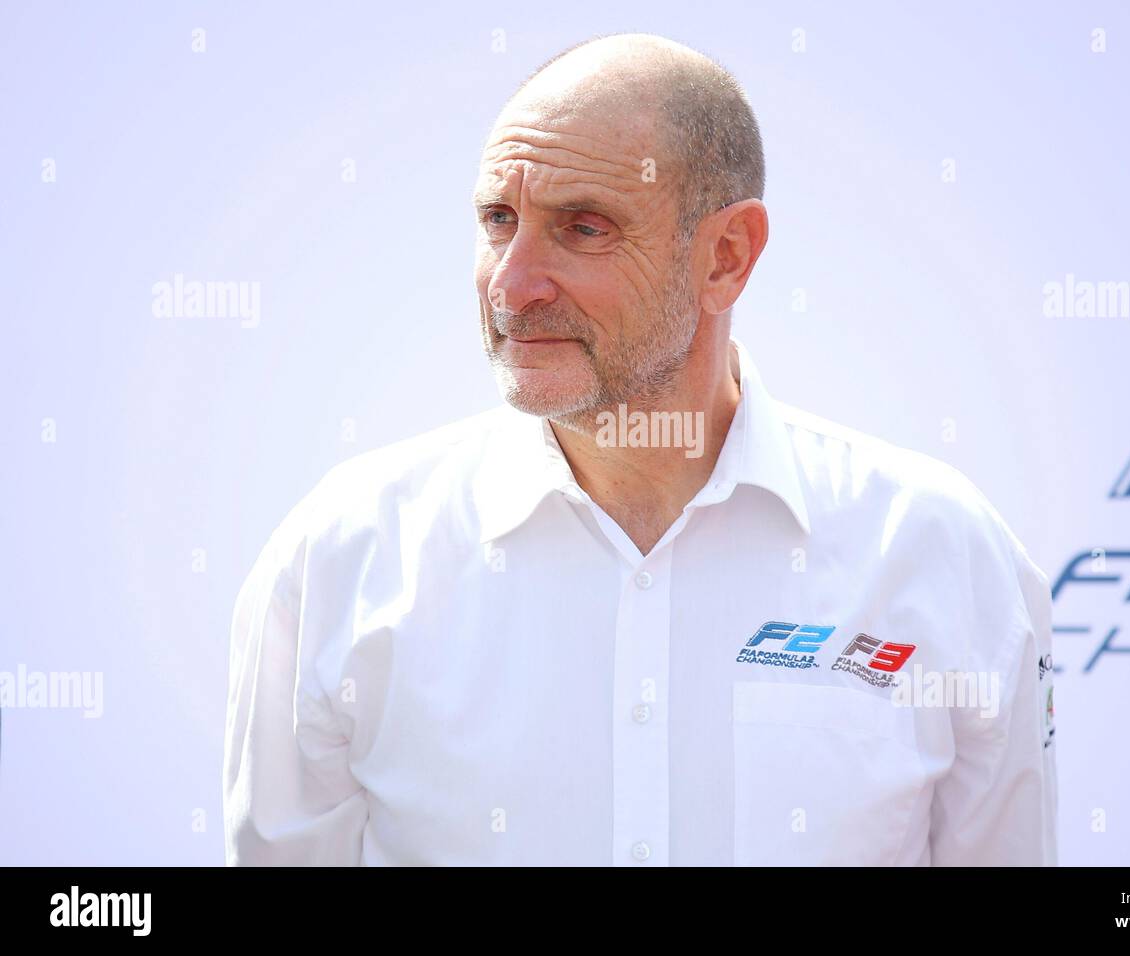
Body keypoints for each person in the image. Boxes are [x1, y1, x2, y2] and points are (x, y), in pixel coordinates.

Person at [223, 32, 1058, 866]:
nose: (512, 286)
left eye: (583, 228)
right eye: (497, 220)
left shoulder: (944, 553)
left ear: (727, 258)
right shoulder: (340, 563)